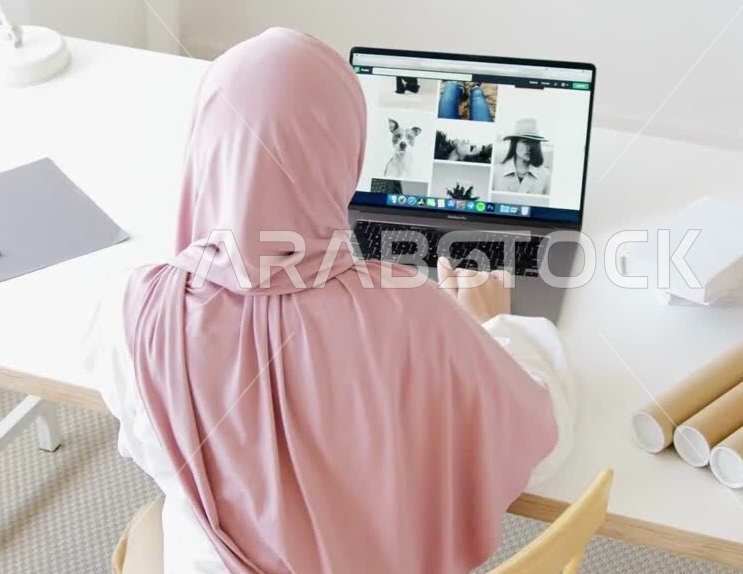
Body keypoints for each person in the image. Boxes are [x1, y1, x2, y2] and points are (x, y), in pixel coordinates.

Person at [84, 28, 573, 574]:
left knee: (157, 517)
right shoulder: (412, 313)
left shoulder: (128, 311)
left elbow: (148, 447)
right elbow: (546, 446)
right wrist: (496, 328)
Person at [494, 119, 552, 195]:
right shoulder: (496, 171)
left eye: (533, 143)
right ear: (514, 144)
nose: (530, 148)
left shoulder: (545, 175)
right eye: (525, 142)